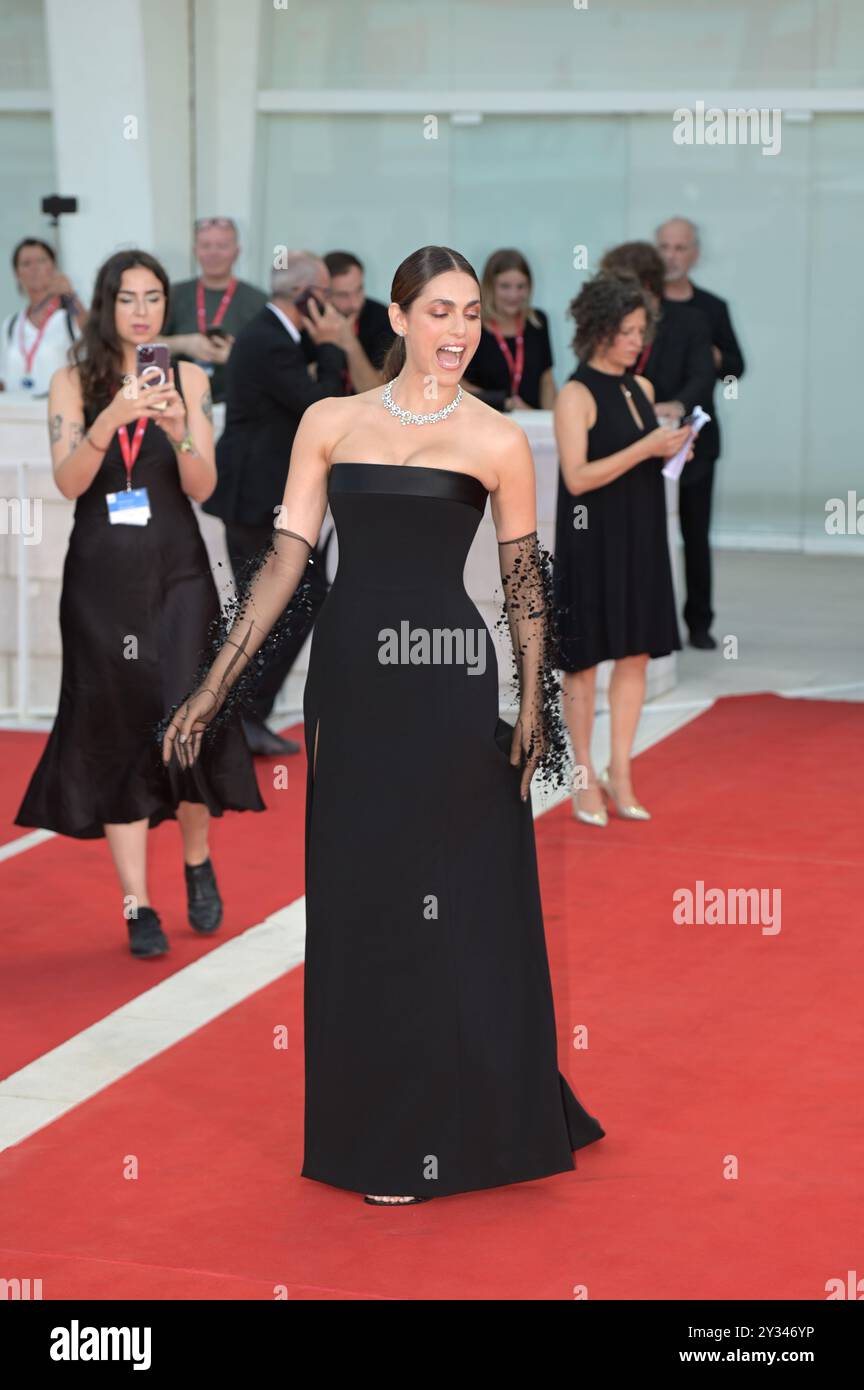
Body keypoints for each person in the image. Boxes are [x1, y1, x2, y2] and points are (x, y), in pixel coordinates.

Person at [163, 244, 605, 1204]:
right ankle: (382, 1128)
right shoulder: (329, 421)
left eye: (470, 313)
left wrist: (534, 705)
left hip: (448, 686)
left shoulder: (496, 438)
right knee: (366, 903)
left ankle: (484, 1110)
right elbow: (283, 565)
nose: (459, 330)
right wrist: (215, 686)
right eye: (440, 311)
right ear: (396, 320)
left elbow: (526, 586)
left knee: (459, 898)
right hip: (354, 685)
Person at [14, 249, 264, 957]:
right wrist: (112, 416)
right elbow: (68, 482)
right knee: (114, 728)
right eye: (128, 298)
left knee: (186, 718)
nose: (143, 309)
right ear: (106, 305)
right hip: (100, 581)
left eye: (153, 297)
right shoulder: (73, 380)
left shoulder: (186, 376)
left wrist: (179, 424)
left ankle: (195, 859)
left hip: (178, 574)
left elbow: (204, 486)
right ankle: (137, 904)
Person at [553, 273, 693, 827]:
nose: (638, 341)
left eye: (642, 331)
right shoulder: (575, 393)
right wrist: (646, 447)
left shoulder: (643, 389)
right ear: (598, 330)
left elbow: (644, 464)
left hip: (639, 538)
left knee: (634, 653)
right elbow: (578, 477)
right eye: (628, 331)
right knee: (584, 663)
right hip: (592, 543)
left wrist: (672, 450)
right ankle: (584, 774)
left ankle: (621, 769)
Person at [201, 252, 347, 757]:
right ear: (305, 294)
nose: (330, 304)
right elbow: (321, 407)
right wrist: (330, 349)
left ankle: (240, 715)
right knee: (285, 603)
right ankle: (240, 716)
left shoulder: (274, 333)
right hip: (255, 497)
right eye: (324, 293)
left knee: (282, 602)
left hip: (257, 494)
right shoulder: (270, 339)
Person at [598, 241, 716, 649]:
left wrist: (676, 405)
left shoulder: (691, 321)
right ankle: (639, 623)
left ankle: (698, 623)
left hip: (686, 442)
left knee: (693, 533)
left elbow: (704, 375)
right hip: (629, 449)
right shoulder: (610, 325)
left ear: (649, 287)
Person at [656, 217, 746, 649]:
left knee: (695, 533)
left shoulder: (712, 308)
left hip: (698, 438)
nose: (671, 255)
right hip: (648, 436)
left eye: (679, 247)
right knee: (648, 534)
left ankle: (699, 623)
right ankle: (653, 621)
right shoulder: (644, 305)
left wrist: (708, 354)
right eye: (665, 247)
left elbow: (735, 365)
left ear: (694, 253)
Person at [161, 217, 267, 404]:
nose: (213, 253)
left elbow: (275, 361)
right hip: (178, 402)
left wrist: (237, 355)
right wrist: (184, 344)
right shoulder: (172, 295)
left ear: (237, 252)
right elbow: (142, 346)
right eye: (206, 246)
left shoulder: (259, 300)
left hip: (241, 405)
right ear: (195, 251)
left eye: (222, 246)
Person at [463, 248, 556, 411]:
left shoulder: (538, 322)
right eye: (505, 286)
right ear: (490, 287)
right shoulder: (472, 325)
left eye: (521, 286)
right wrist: (505, 403)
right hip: (486, 422)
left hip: (532, 425)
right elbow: (459, 385)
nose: (514, 295)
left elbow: (546, 381)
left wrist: (548, 421)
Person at [0, 238, 87, 395]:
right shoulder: (11, 324)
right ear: (17, 274)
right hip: (14, 414)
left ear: (54, 267)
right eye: (26, 264)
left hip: (60, 413)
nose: (34, 269)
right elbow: (4, 378)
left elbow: (93, 336)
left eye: (41, 261)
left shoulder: (69, 316)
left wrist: (71, 295)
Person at [322, 250, 395, 393]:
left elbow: (377, 392)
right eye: (343, 295)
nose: (355, 303)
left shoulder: (383, 319)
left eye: (359, 290)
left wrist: (350, 343)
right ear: (325, 294)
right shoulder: (308, 320)